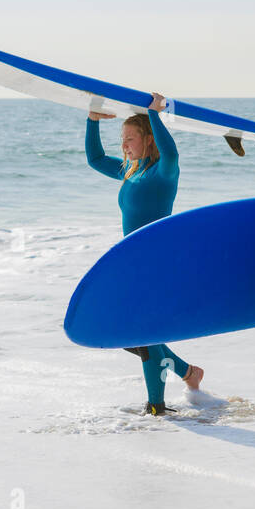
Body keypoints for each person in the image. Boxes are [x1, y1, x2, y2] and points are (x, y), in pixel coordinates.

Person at [85, 95, 204, 415]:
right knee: (120, 328)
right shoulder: (130, 170)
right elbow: (95, 159)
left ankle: (156, 407)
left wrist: (155, 115)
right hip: (132, 264)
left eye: (129, 139)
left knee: (144, 332)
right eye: (121, 139)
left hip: (157, 263)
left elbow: (171, 152)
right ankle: (186, 372)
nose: (123, 145)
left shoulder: (163, 173)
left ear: (147, 139)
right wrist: (93, 120)